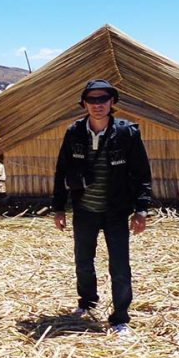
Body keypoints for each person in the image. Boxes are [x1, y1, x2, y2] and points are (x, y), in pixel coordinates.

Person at [52, 80, 152, 335]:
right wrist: (59, 208)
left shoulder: (127, 133)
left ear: (112, 102)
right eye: (92, 100)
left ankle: (120, 317)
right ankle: (87, 302)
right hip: (84, 210)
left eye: (103, 99)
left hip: (116, 211)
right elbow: (61, 171)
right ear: (84, 103)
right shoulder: (74, 132)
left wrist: (141, 209)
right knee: (83, 262)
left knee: (120, 266)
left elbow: (141, 173)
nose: (98, 105)